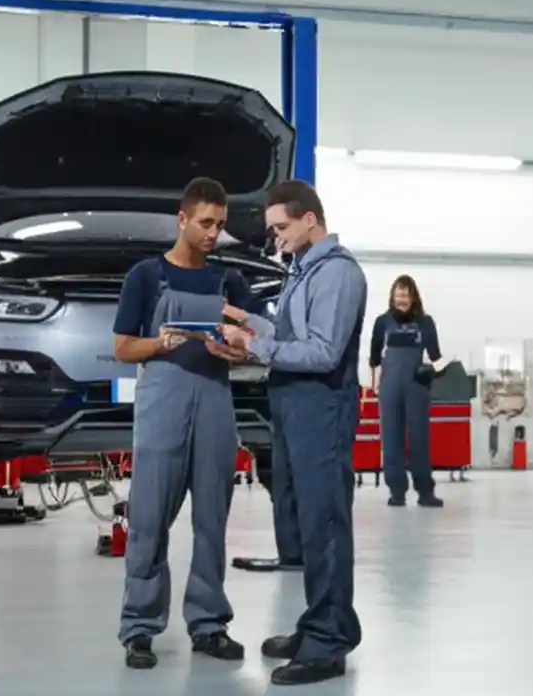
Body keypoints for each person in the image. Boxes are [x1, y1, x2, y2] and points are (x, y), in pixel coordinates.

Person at [112, 177, 264, 669]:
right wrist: (161, 343)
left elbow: (259, 338)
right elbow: (122, 348)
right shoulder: (145, 276)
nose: (212, 234)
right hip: (163, 395)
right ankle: (139, 627)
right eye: (205, 223)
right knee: (149, 517)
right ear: (182, 219)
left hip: (216, 397)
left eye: (219, 225)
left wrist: (235, 347)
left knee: (211, 520)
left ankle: (209, 624)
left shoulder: (230, 281)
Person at [220, 179, 367, 687]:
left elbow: (323, 352)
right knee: (305, 525)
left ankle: (328, 646)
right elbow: (289, 336)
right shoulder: (303, 272)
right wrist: (248, 326)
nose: (275, 238)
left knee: (325, 526)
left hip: (320, 408)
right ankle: (317, 624)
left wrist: (258, 348)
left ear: (310, 220)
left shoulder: (338, 274)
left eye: (281, 227)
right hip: (291, 404)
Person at [369, 274, 445, 508]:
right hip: (390, 387)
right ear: (392, 297)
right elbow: (374, 358)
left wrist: (433, 372)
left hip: (417, 387)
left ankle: (425, 492)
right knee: (391, 439)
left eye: (406, 295)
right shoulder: (382, 322)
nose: (402, 299)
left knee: (419, 439)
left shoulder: (426, 322)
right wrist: (374, 387)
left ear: (414, 297)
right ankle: (397, 491)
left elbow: (437, 357)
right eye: (398, 295)